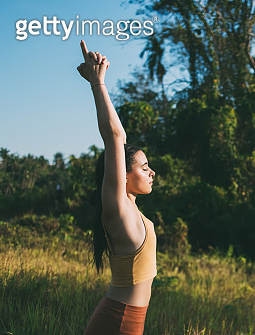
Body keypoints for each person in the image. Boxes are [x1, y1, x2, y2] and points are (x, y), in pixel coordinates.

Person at [77, 40, 157, 335]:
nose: (152, 172)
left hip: (129, 319)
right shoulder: (118, 210)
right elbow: (114, 137)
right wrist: (98, 84)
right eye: (144, 167)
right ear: (122, 174)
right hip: (118, 321)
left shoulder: (135, 214)